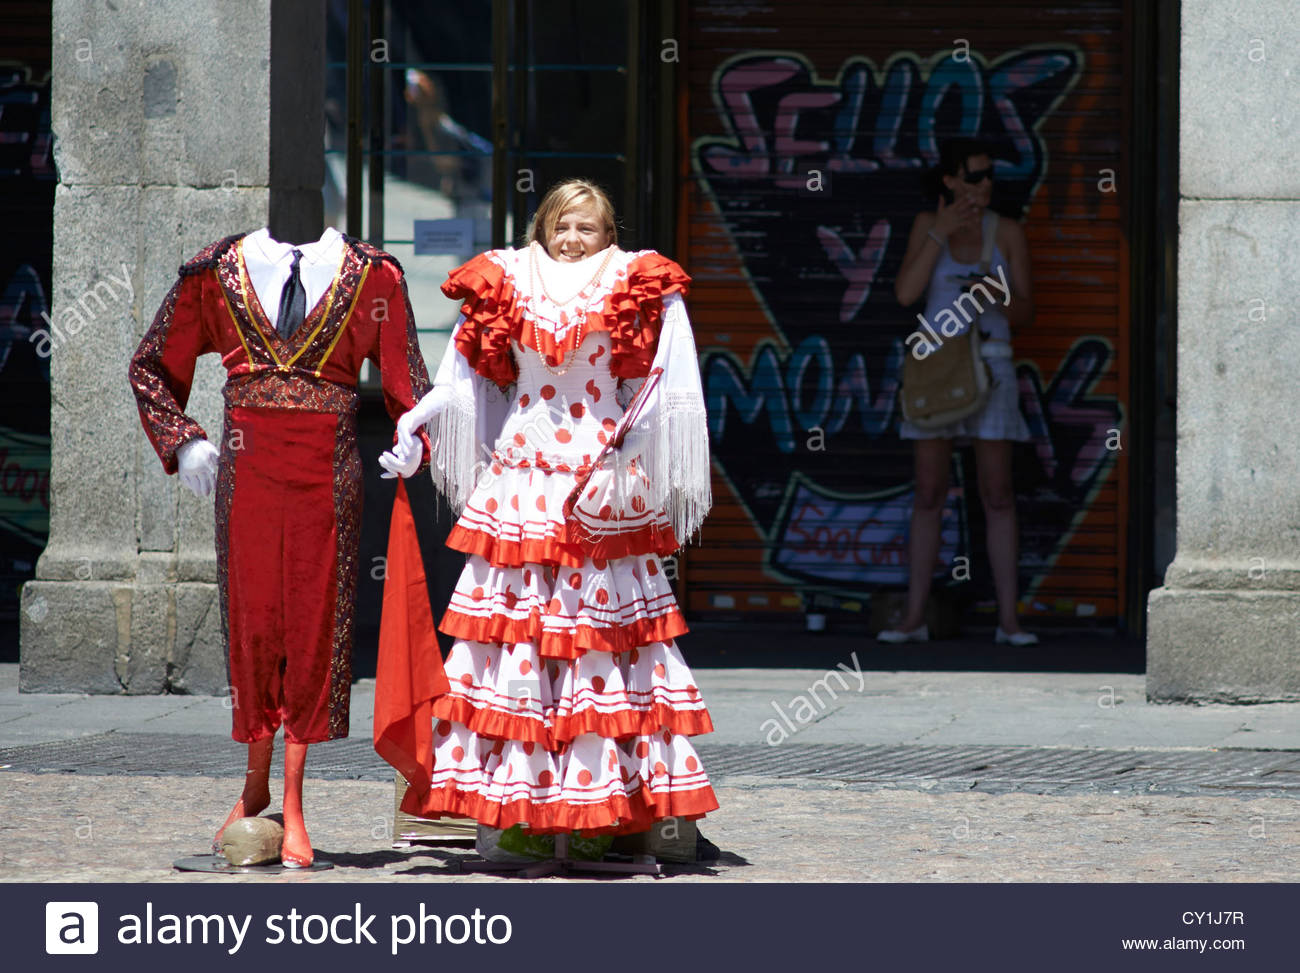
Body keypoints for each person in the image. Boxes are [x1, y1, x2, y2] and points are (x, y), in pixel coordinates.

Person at [375, 179, 719, 848]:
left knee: (600, 643)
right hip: (523, 476)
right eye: (562, 223)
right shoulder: (505, 278)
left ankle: (603, 816)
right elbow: (463, 375)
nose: (572, 237)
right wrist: (420, 421)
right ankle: (523, 813)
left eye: (587, 226)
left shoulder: (634, 279)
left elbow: (667, 375)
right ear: (543, 224)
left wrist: (636, 453)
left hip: (598, 478)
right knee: (519, 641)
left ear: (608, 234)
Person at [129, 227, 433, 866]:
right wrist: (183, 440)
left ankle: (292, 797)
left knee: (315, 624)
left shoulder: (375, 275)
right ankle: (254, 778)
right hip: (249, 470)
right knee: (255, 621)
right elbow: (152, 363)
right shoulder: (212, 271)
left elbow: (410, 383)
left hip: (328, 472)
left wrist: (414, 438)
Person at [878, 138, 1038, 646]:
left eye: (989, 176)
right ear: (950, 180)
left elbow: (1026, 314)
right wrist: (939, 235)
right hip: (937, 372)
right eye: (973, 176)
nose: (984, 185)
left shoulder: (1006, 232)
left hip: (991, 366)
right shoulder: (930, 226)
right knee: (928, 494)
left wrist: (995, 290)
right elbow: (905, 295)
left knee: (997, 494)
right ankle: (913, 619)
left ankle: (1009, 622)